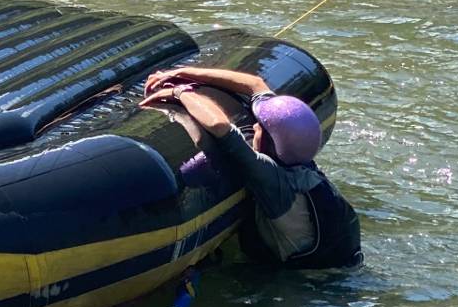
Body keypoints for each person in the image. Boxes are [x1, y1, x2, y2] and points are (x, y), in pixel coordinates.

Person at [141, 65, 362, 268]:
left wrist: (180, 93)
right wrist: (180, 73)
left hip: (315, 272)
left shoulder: (273, 177)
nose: (254, 126)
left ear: (268, 143)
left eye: (259, 128)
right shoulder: (297, 150)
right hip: (345, 247)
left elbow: (220, 126)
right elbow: (255, 84)